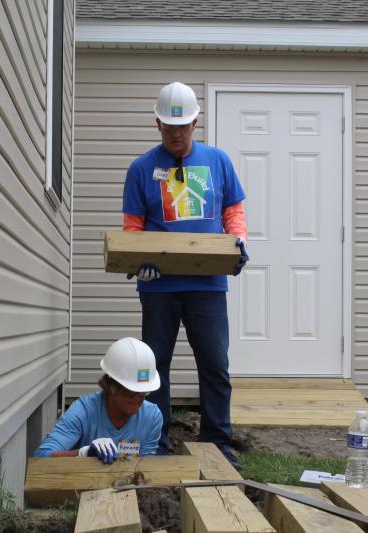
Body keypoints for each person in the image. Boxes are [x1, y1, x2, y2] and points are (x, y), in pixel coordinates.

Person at [121, 81, 249, 469]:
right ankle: (156, 441)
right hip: (158, 285)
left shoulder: (218, 161)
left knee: (214, 362)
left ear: (196, 122)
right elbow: (132, 227)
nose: (177, 133)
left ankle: (217, 442)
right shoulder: (142, 169)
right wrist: (137, 259)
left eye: (184, 126)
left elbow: (233, 211)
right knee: (155, 364)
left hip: (208, 284)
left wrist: (238, 241)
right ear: (157, 124)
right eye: (169, 126)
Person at [33, 337, 163, 462]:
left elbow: (146, 467)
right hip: (81, 482)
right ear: (111, 386)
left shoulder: (151, 417)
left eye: (143, 392)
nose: (138, 399)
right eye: (130, 392)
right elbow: (41, 458)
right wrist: (83, 453)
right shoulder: (83, 412)